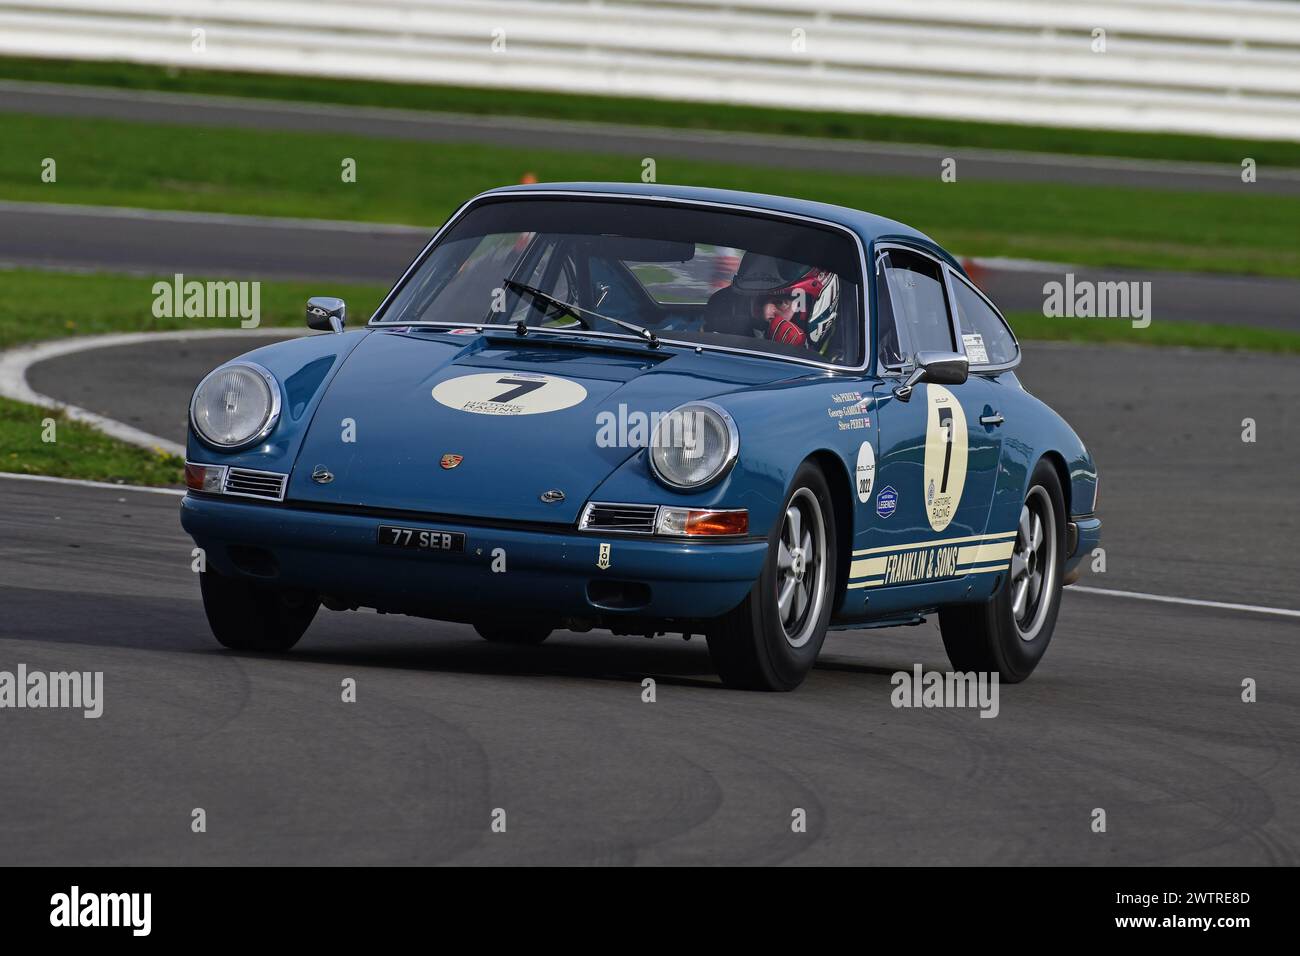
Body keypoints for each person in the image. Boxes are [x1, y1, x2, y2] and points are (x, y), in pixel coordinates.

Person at [705, 252, 839, 353]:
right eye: (759, 301)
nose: (766, 313)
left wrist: (800, 353)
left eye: (781, 303)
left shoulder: (848, 355)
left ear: (816, 305)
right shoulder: (725, 343)